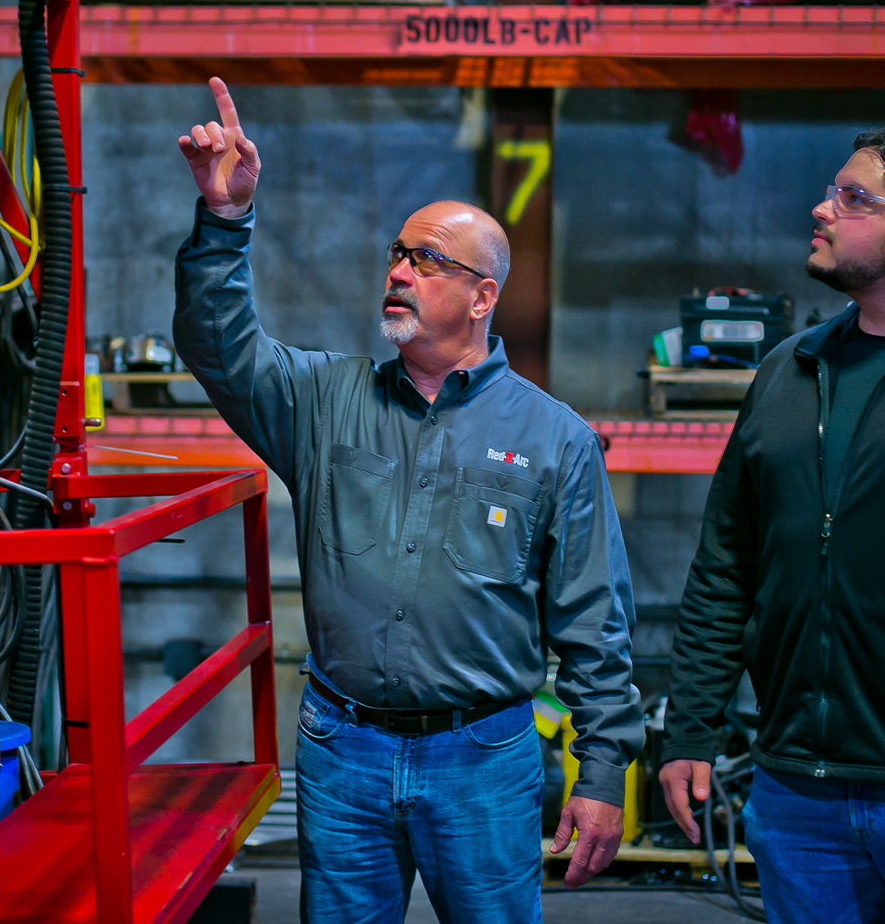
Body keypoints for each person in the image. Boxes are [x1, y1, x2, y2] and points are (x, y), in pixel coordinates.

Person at [172, 77, 643, 924]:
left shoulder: (554, 436)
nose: (398, 271)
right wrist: (224, 221)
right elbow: (218, 344)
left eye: (427, 261)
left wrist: (602, 772)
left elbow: (593, 619)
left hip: (485, 756)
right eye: (396, 254)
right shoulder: (320, 401)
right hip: (342, 749)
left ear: (482, 295)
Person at [660, 127, 885, 924]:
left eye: (854, 198)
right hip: (799, 788)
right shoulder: (789, 370)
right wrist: (691, 728)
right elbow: (726, 564)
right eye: (834, 191)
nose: (822, 208)